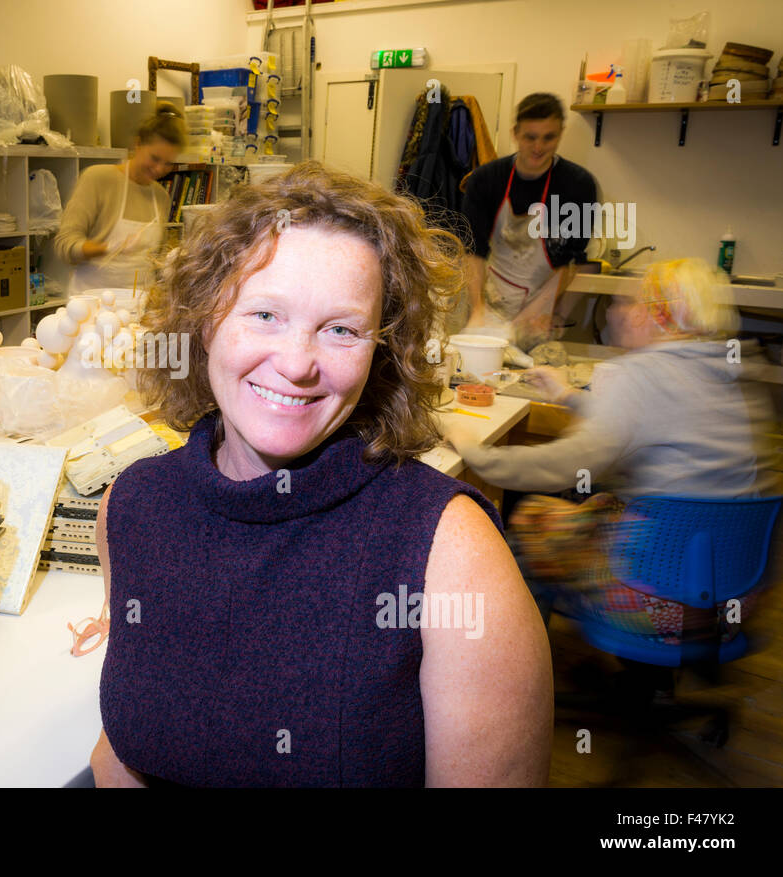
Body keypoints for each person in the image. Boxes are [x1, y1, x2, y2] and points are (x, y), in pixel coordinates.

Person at [90, 161, 552, 787]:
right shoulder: (133, 506)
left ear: (380, 352)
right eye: (264, 315)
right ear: (205, 321)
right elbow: (121, 753)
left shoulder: (449, 550)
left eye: (340, 329)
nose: (297, 363)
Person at [441, 258, 778, 641]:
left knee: (534, 516)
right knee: (604, 503)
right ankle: (657, 681)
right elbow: (656, 421)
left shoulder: (635, 375)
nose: (618, 314)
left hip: (663, 600)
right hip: (734, 594)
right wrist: (569, 396)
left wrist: (474, 449)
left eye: (629, 303)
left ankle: (524, 660)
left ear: (654, 314)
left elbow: (561, 466)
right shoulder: (736, 368)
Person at [460, 92, 597, 348]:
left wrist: (548, 312)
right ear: (515, 133)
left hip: (543, 301)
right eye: (530, 137)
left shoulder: (577, 185)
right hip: (492, 296)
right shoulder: (486, 180)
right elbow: (473, 251)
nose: (538, 147)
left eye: (549, 138)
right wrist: (477, 310)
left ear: (560, 134)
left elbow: (571, 262)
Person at [54, 102, 184, 297]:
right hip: (91, 306)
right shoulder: (98, 179)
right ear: (138, 144)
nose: (159, 170)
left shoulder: (161, 197)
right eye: (155, 158)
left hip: (138, 305)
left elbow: (155, 261)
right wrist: (106, 248)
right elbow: (64, 245)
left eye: (168, 163)